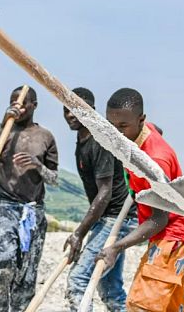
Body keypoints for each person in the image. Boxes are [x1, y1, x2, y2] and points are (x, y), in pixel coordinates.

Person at [98, 88, 184, 312]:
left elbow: (159, 219)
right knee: (168, 308)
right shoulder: (137, 135)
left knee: (142, 305)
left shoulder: (155, 161)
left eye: (123, 127)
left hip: (176, 234)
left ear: (141, 120)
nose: (116, 134)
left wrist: (117, 247)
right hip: (172, 233)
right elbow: (157, 130)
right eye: (111, 125)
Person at [0, 86, 59, 312]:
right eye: (14, 102)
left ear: (34, 105)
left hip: (33, 211)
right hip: (5, 204)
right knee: (3, 258)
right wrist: (4, 124)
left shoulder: (45, 136)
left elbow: (54, 178)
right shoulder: (0, 129)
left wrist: (37, 166)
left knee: (27, 273)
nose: (19, 107)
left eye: (24, 103)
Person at [63, 87, 136, 312]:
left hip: (117, 218)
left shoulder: (99, 139)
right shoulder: (83, 139)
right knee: (109, 287)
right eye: (66, 109)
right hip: (109, 217)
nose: (70, 115)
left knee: (78, 281)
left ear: (91, 110)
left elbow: (104, 194)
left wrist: (79, 233)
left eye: (76, 110)